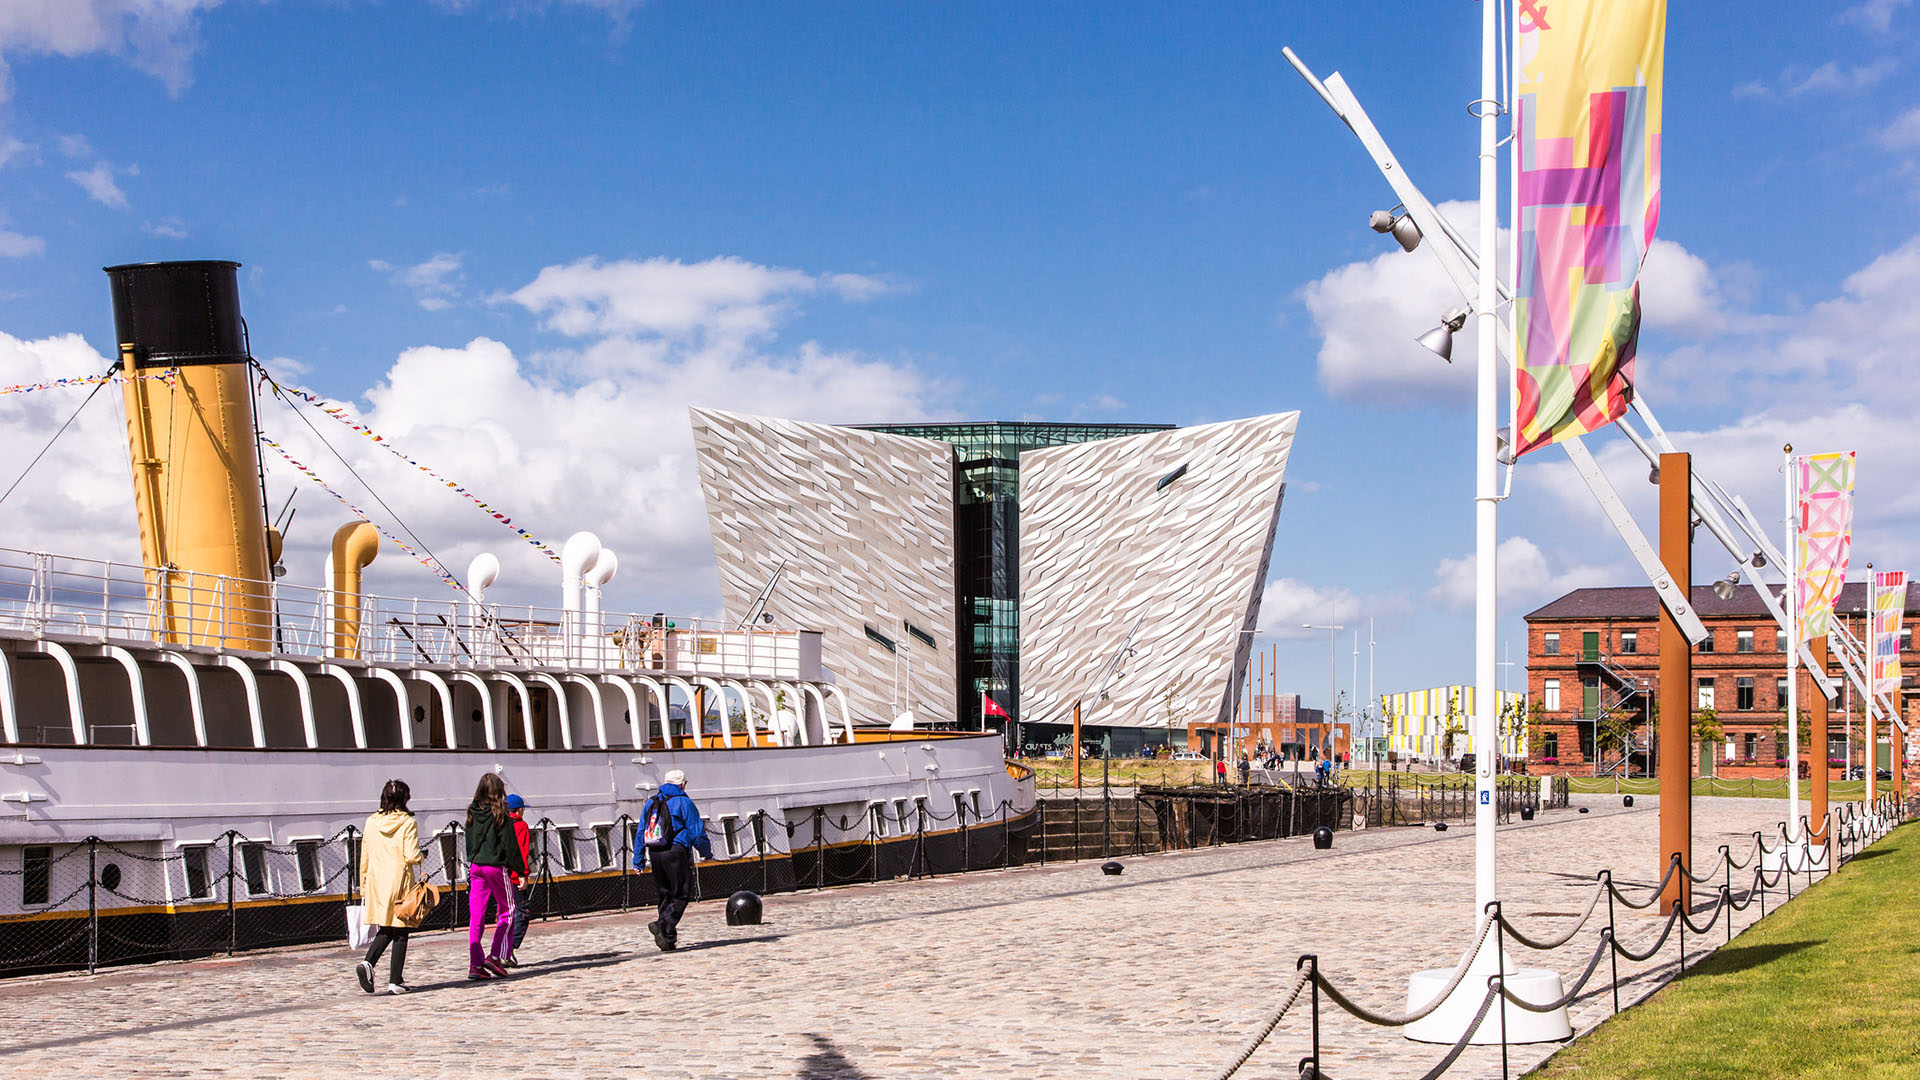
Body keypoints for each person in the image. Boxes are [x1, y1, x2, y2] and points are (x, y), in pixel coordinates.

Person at [356, 779, 425, 995]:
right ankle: (394, 980)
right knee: (402, 929)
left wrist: (364, 885)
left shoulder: (371, 821)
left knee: (387, 927)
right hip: (399, 879)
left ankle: (368, 964)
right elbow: (412, 855)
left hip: (377, 879)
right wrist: (423, 855)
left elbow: (364, 855)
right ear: (404, 799)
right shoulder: (407, 822)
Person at [634, 768, 712, 952]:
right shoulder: (683, 802)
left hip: (655, 852)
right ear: (682, 784)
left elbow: (641, 832)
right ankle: (663, 924)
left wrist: (638, 860)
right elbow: (696, 831)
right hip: (676, 851)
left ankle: (667, 940)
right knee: (681, 894)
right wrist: (706, 852)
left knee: (665, 894)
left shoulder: (651, 802)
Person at [465, 772, 526, 979]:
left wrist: (473, 857)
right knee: (508, 911)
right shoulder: (501, 812)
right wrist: (521, 871)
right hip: (495, 867)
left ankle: (475, 964)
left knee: (477, 917)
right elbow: (511, 845)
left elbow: (469, 841)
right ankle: (496, 955)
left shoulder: (472, 811)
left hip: (476, 867)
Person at [504, 793, 534, 967]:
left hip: (498, 875)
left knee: (505, 914)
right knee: (522, 913)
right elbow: (522, 852)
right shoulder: (520, 825)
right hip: (515, 876)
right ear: (519, 809)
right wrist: (523, 874)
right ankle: (509, 950)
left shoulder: (497, 825)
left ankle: (501, 951)